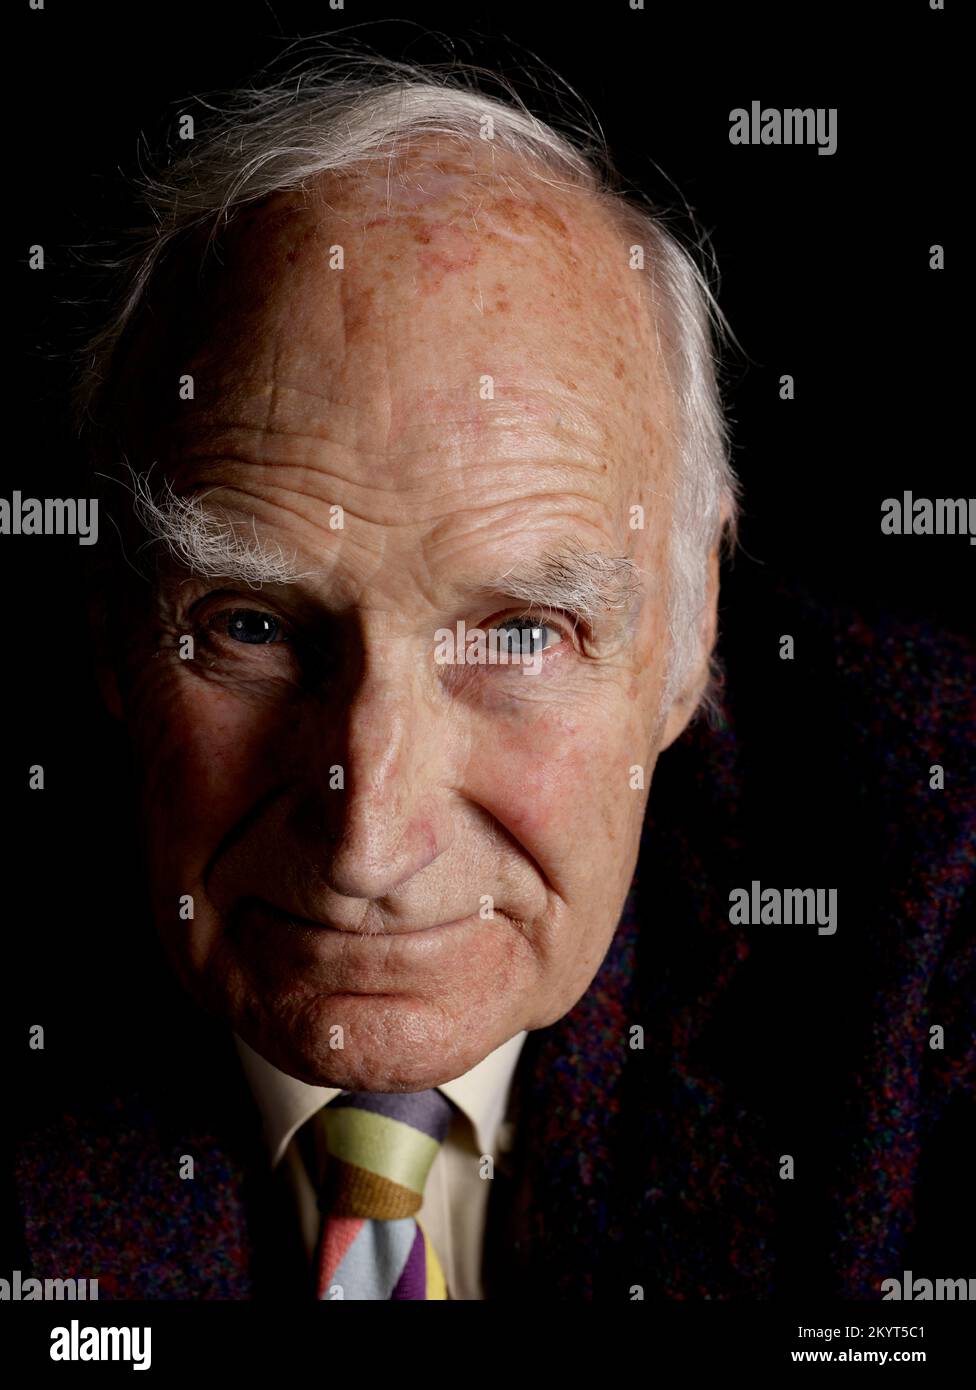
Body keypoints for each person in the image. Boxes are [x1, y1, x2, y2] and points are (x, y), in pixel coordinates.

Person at [8, 53, 973, 1302]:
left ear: (691, 631)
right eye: (250, 626)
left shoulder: (933, 874)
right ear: (113, 637)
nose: (370, 839)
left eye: (520, 634)